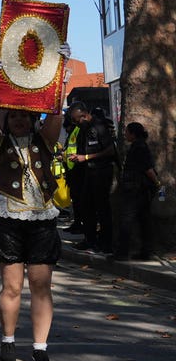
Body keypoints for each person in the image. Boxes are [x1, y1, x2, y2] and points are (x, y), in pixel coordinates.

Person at [0, 45, 71, 361]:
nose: (19, 120)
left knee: (41, 286)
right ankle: (8, 340)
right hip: (9, 219)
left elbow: (57, 112)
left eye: (24, 115)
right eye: (14, 116)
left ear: (33, 118)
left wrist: (59, 71)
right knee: (11, 286)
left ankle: (40, 347)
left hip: (42, 220)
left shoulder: (46, 140)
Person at [66, 102, 116, 253]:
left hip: (101, 173)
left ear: (84, 115)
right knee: (86, 208)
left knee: (102, 209)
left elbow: (110, 150)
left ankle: (105, 243)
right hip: (87, 174)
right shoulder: (83, 130)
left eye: (76, 120)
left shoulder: (99, 127)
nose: (75, 123)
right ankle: (90, 240)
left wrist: (86, 157)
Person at [113, 122, 160, 261]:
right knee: (143, 221)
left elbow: (148, 169)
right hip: (138, 190)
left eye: (127, 132)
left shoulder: (139, 147)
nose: (125, 134)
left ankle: (123, 253)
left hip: (136, 190)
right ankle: (145, 251)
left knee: (127, 221)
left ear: (133, 134)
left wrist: (157, 183)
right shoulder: (137, 146)